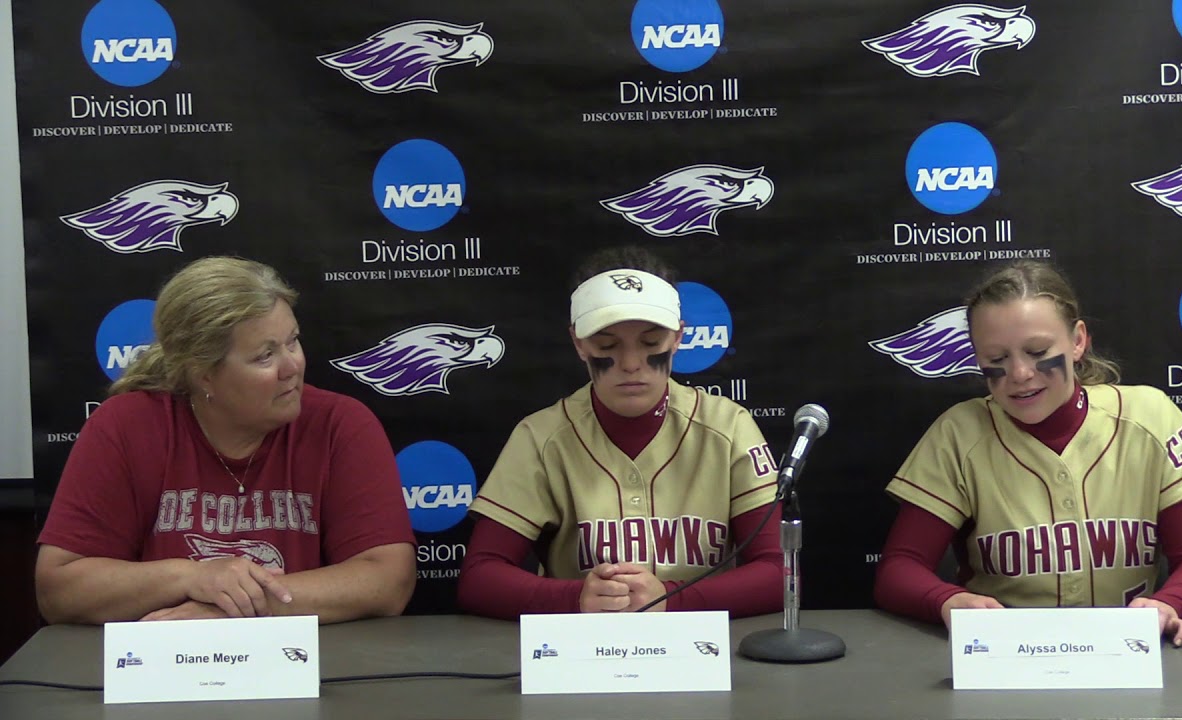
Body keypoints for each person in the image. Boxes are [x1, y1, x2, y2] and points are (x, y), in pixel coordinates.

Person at [35, 256, 416, 624]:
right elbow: (59, 590)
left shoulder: (340, 424)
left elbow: (388, 580)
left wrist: (238, 610)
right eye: (265, 356)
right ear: (203, 375)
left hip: (303, 658)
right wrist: (190, 577)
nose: (293, 366)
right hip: (165, 658)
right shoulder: (126, 425)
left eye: (293, 342)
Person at [874, 260, 1182, 646]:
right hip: (1003, 657)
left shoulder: (1150, 417)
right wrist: (948, 600)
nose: (1020, 373)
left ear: (1078, 341)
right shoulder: (959, 434)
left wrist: (1169, 603)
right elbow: (898, 570)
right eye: (996, 359)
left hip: (1130, 653)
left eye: (1037, 350)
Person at [458, 246, 783, 618]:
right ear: (579, 343)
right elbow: (479, 577)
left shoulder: (728, 427)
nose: (630, 363)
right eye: (607, 344)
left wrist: (671, 599)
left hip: (702, 647)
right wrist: (575, 598)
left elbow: (779, 573)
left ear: (678, 337)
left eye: (650, 343)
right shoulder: (542, 436)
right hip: (583, 646)